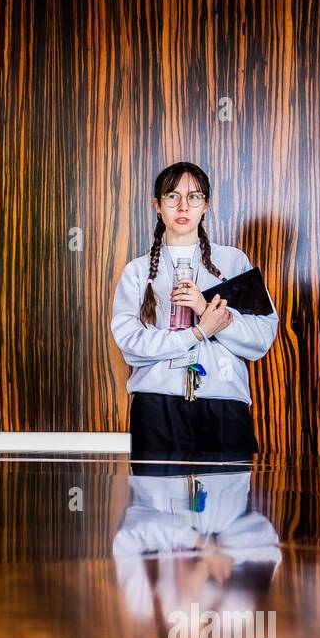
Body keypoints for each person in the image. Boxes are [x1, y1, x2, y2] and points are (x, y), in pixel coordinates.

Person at [111, 161, 279, 457]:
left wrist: (205, 309)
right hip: (157, 406)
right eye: (172, 197)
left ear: (206, 206)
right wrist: (198, 333)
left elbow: (261, 339)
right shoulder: (137, 271)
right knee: (156, 499)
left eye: (194, 197)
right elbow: (130, 346)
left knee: (228, 497)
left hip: (223, 403)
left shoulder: (233, 262)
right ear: (157, 206)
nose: (183, 207)